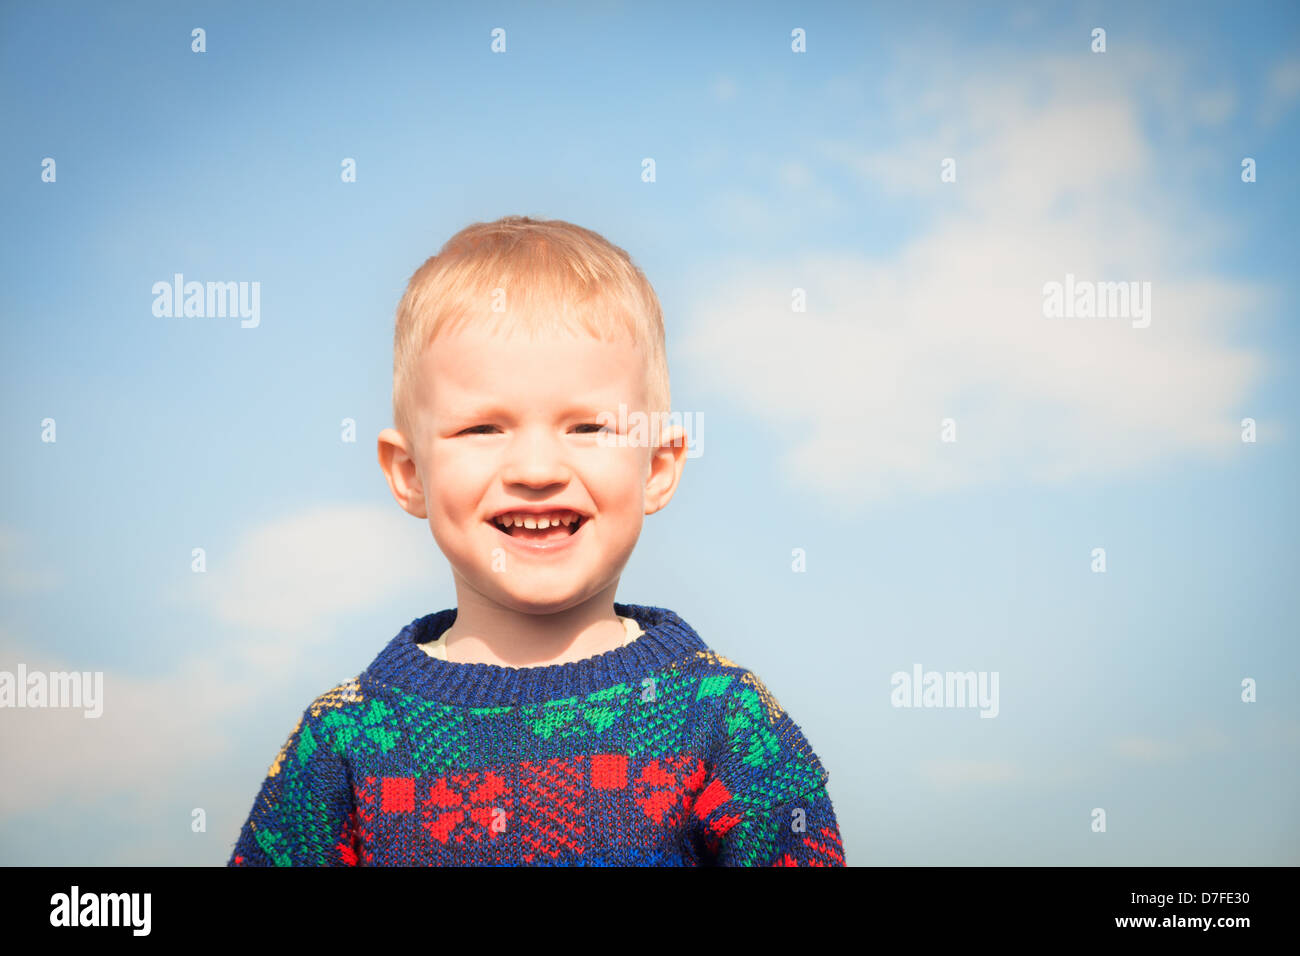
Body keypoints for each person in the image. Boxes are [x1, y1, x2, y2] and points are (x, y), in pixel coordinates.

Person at [227, 215, 845, 866]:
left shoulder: (727, 723)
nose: (537, 470)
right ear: (409, 475)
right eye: (483, 429)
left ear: (657, 469)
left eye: (586, 427)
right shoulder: (345, 743)